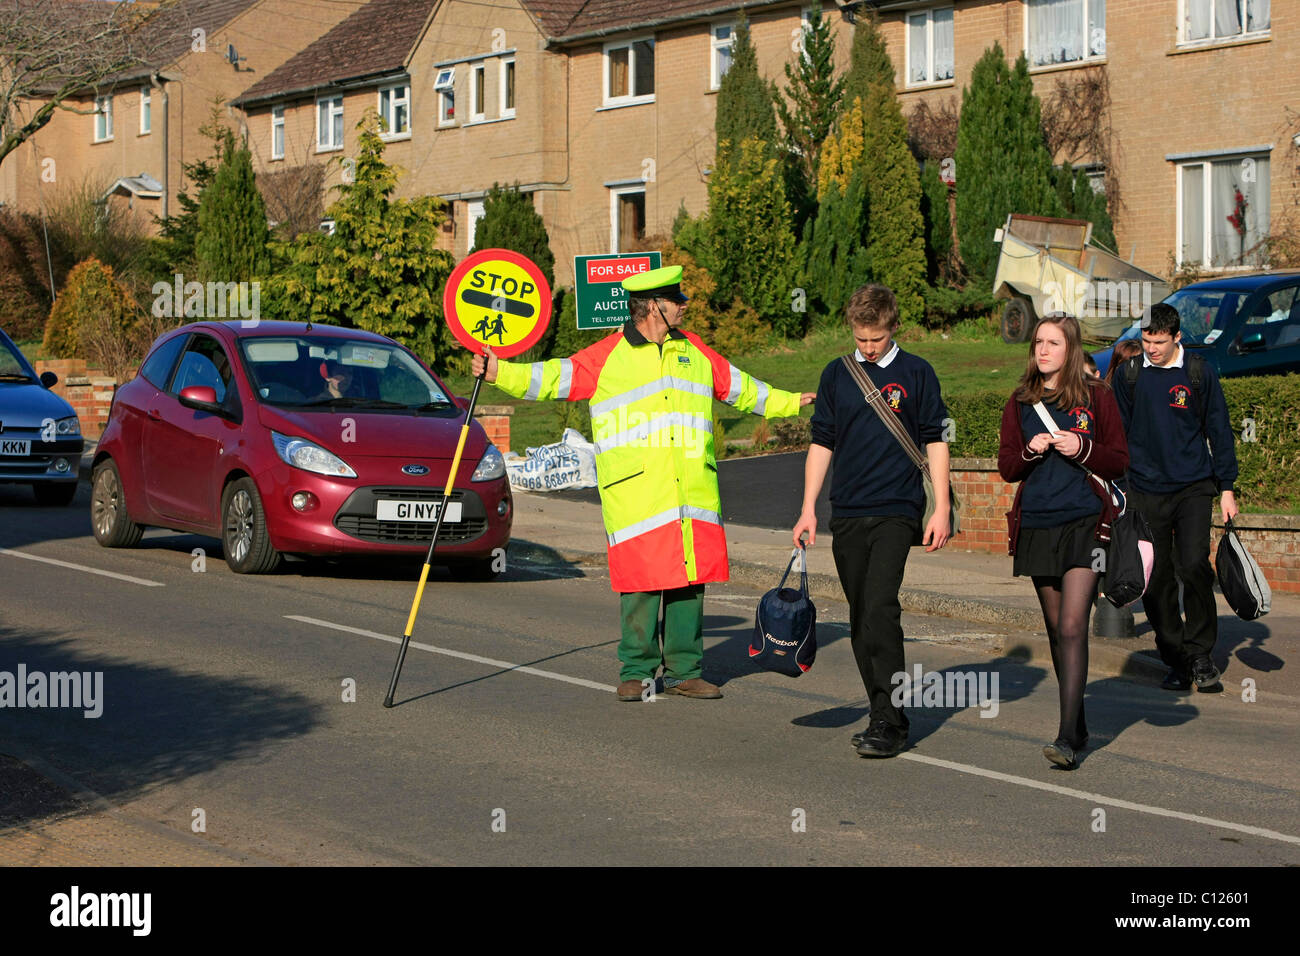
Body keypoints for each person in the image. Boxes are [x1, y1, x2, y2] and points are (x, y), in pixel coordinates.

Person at [472, 265, 815, 701]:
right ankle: (636, 671)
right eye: (677, 301)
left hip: (691, 494)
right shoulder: (607, 355)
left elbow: (739, 387)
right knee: (641, 583)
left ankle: (684, 671)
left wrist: (790, 402)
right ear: (654, 307)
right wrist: (498, 370)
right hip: (637, 497)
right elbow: (551, 377)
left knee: (689, 583)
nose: (684, 306)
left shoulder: (693, 351)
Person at [791, 285, 952, 759]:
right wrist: (807, 509)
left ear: (892, 327)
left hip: (897, 510)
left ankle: (890, 720)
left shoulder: (918, 372)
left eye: (876, 339)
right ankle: (880, 707)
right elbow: (822, 443)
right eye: (861, 339)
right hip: (848, 511)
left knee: (881, 605)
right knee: (863, 615)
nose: (868, 347)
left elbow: (935, 441)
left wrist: (940, 507)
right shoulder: (837, 375)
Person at [998, 313, 1129, 770]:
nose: (1043, 350)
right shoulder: (1020, 400)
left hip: (1085, 522)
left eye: (1053, 342)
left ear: (1070, 349)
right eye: (1038, 342)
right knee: (1056, 632)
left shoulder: (1098, 398)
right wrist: (1031, 451)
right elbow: (1008, 467)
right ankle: (1078, 723)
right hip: (1038, 521)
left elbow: (1118, 459)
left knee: (1074, 626)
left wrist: (1083, 448)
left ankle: (1066, 737)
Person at [1114, 302, 1238, 692]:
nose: (1152, 348)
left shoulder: (1199, 373)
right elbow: (1117, 436)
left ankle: (1201, 654)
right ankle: (1176, 657)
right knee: (1156, 579)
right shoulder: (1130, 375)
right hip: (1145, 490)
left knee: (1194, 567)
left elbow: (1219, 429)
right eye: (1146, 339)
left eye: (1160, 341)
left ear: (1177, 337)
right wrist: (1119, 490)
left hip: (1193, 488)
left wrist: (1227, 488)